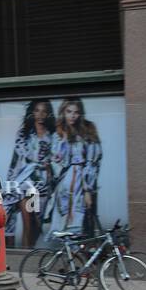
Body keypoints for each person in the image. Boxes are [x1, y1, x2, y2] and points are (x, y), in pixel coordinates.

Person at [3, 99, 55, 248]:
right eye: (37, 110)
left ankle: (28, 254)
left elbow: (58, 159)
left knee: (36, 225)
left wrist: (50, 165)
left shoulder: (52, 136)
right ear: (32, 112)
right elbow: (15, 161)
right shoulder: (24, 134)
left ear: (47, 114)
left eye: (44, 111)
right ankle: (23, 254)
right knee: (28, 221)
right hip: (25, 182)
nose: (40, 114)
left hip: (43, 184)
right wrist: (9, 184)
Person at [50, 98, 102, 236]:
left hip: (83, 185)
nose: (72, 115)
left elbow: (93, 162)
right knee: (64, 227)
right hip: (64, 187)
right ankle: (68, 256)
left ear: (80, 114)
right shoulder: (58, 135)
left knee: (83, 225)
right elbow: (56, 161)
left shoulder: (88, 131)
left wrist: (87, 190)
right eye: (69, 111)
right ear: (63, 112)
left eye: (76, 112)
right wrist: (64, 140)